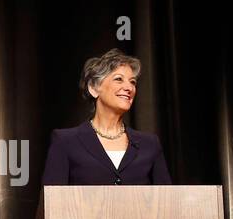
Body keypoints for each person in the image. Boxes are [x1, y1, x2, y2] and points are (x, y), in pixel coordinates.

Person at [42, 48, 172, 185]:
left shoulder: (150, 144)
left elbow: (165, 201)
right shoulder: (66, 141)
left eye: (132, 82)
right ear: (93, 88)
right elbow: (51, 201)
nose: (129, 88)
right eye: (119, 79)